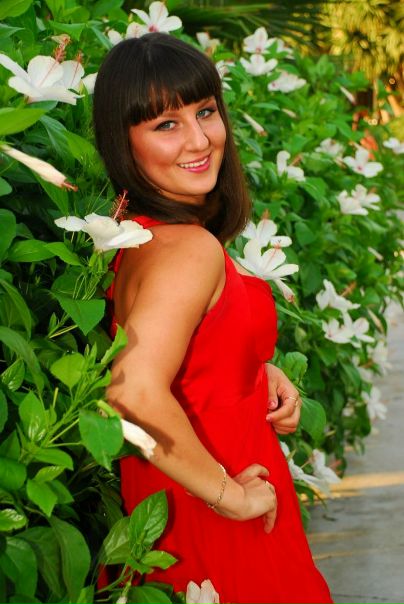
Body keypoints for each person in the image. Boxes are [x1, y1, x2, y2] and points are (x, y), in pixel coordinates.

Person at [94, 33, 333, 604]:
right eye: (166, 124)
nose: (200, 140)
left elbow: (181, 350)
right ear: (122, 142)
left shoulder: (138, 236)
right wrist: (230, 497)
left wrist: (252, 371)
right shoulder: (189, 250)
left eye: (205, 112)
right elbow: (132, 392)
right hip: (217, 507)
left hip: (183, 495)